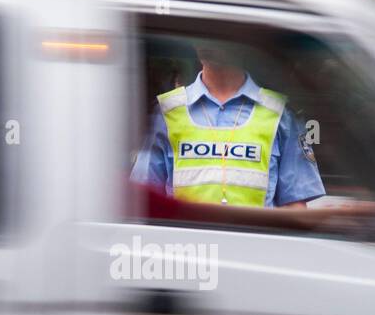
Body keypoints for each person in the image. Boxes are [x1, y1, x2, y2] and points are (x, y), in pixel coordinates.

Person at [130, 42, 325, 209]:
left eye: (213, 30)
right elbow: (143, 202)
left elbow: (295, 208)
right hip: (188, 250)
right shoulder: (166, 112)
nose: (206, 40)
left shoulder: (281, 115)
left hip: (253, 250)